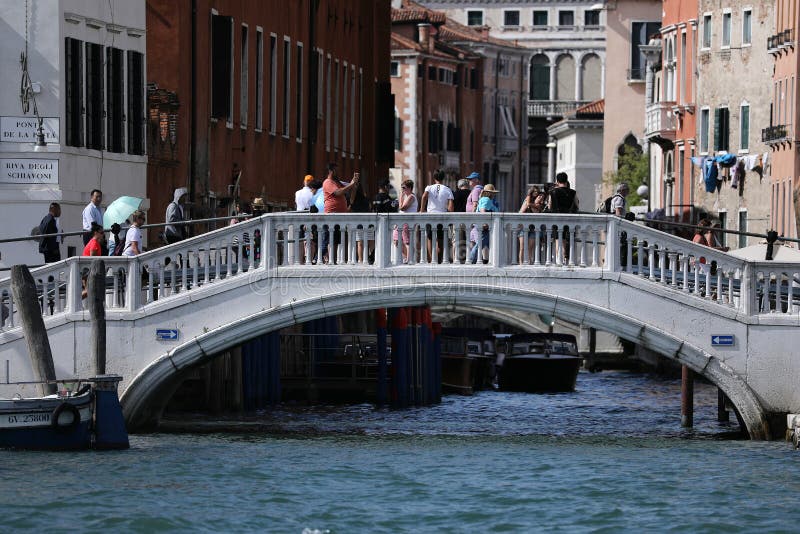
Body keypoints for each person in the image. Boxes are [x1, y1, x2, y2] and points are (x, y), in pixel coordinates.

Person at [322, 163, 360, 263]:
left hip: (340, 215)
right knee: (332, 240)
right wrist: (352, 184)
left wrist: (354, 182)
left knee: (341, 239)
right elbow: (338, 192)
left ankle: (341, 261)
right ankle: (331, 261)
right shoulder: (328, 182)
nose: (338, 172)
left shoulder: (337, 182)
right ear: (331, 171)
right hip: (332, 215)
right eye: (336, 170)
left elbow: (349, 189)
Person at [420, 169, 454, 262]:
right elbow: (451, 208)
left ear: (434, 177)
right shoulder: (447, 189)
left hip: (430, 216)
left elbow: (424, 196)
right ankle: (438, 260)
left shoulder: (429, 187)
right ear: (443, 178)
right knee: (440, 239)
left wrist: (421, 210)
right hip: (442, 217)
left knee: (430, 238)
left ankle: (431, 259)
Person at [469, 184, 499, 264]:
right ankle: (471, 260)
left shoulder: (484, 199)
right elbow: (483, 210)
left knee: (488, 245)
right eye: (493, 193)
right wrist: (485, 223)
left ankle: (492, 261)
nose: (494, 194)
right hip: (485, 226)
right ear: (489, 193)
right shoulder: (486, 199)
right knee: (479, 245)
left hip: (485, 226)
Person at [393, 179, 418, 263]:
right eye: (402, 188)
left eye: (404, 188)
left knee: (406, 241)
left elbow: (402, 208)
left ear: (410, 188)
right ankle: (406, 257)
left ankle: (409, 259)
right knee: (396, 240)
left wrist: (400, 197)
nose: (403, 189)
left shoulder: (411, 197)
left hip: (407, 222)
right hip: (400, 221)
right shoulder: (406, 196)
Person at [518, 188, 545, 263]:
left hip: (533, 228)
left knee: (530, 247)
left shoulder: (540, 206)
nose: (540, 197)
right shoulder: (528, 199)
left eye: (542, 197)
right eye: (539, 196)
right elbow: (522, 211)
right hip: (524, 226)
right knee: (522, 247)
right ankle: (520, 263)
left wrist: (530, 205)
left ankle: (530, 262)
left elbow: (536, 211)